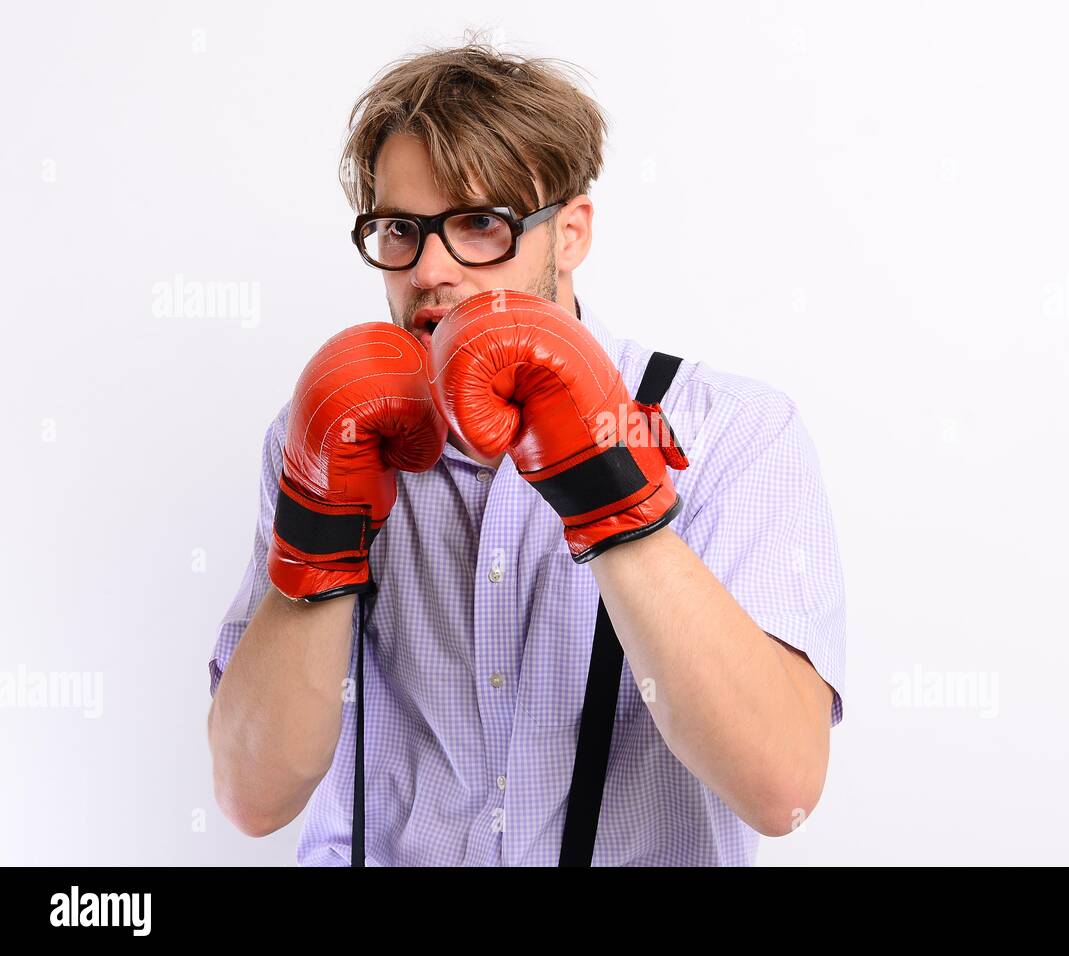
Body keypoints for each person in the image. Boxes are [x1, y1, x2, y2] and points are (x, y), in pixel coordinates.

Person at [206, 40, 846, 866]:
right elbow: (253, 798)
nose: (429, 270)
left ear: (570, 233)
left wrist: (611, 485)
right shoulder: (325, 430)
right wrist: (323, 525)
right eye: (400, 229)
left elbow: (782, 788)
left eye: (479, 223)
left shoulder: (730, 430)